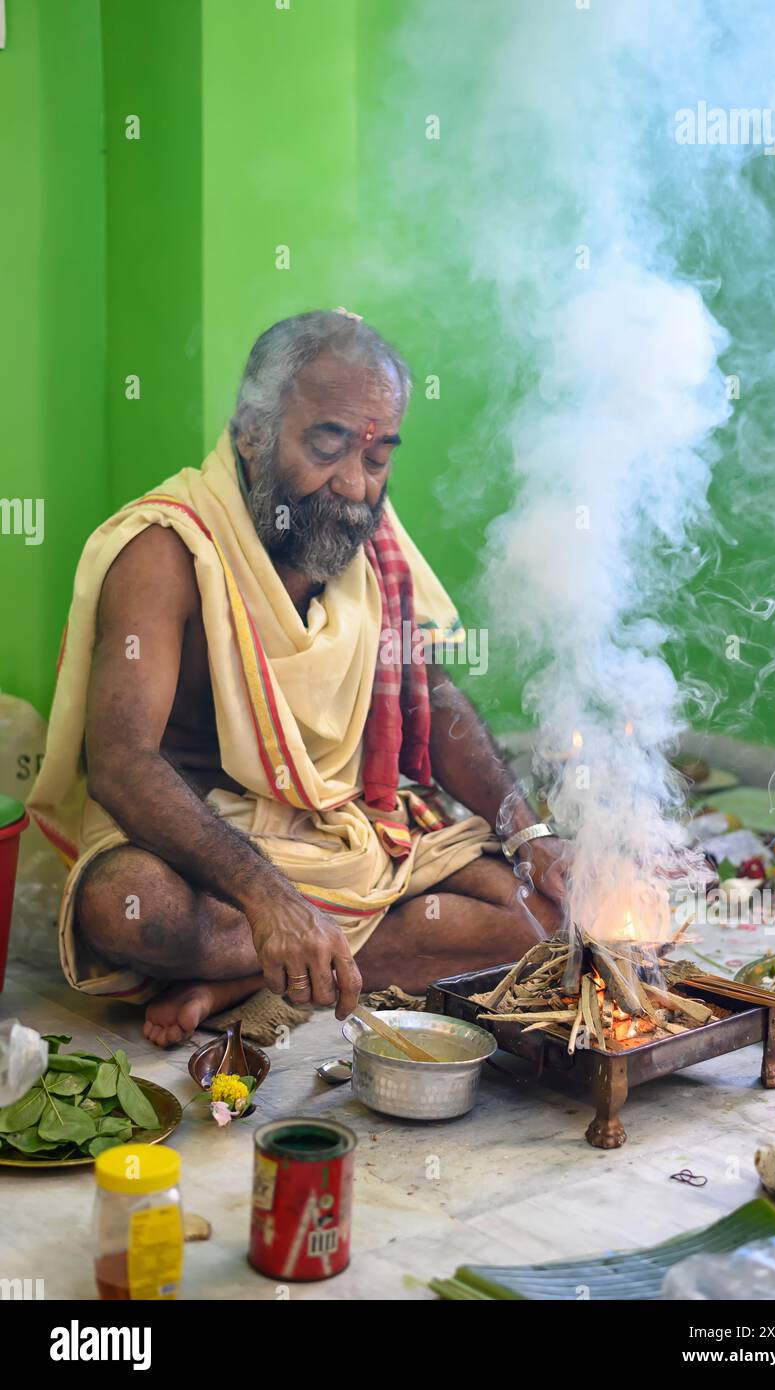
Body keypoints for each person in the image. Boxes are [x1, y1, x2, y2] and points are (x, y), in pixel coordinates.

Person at [29, 311, 567, 1046]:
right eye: (328, 444)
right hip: (206, 852)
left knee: (546, 912)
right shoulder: (164, 550)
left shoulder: (373, 542)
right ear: (252, 428)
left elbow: (434, 701)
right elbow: (123, 763)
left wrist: (526, 827)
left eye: (378, 459)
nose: (353, 484)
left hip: (348, 833)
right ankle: (294, 949)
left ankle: (245, 977)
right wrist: (267, 900)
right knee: (126, 906)